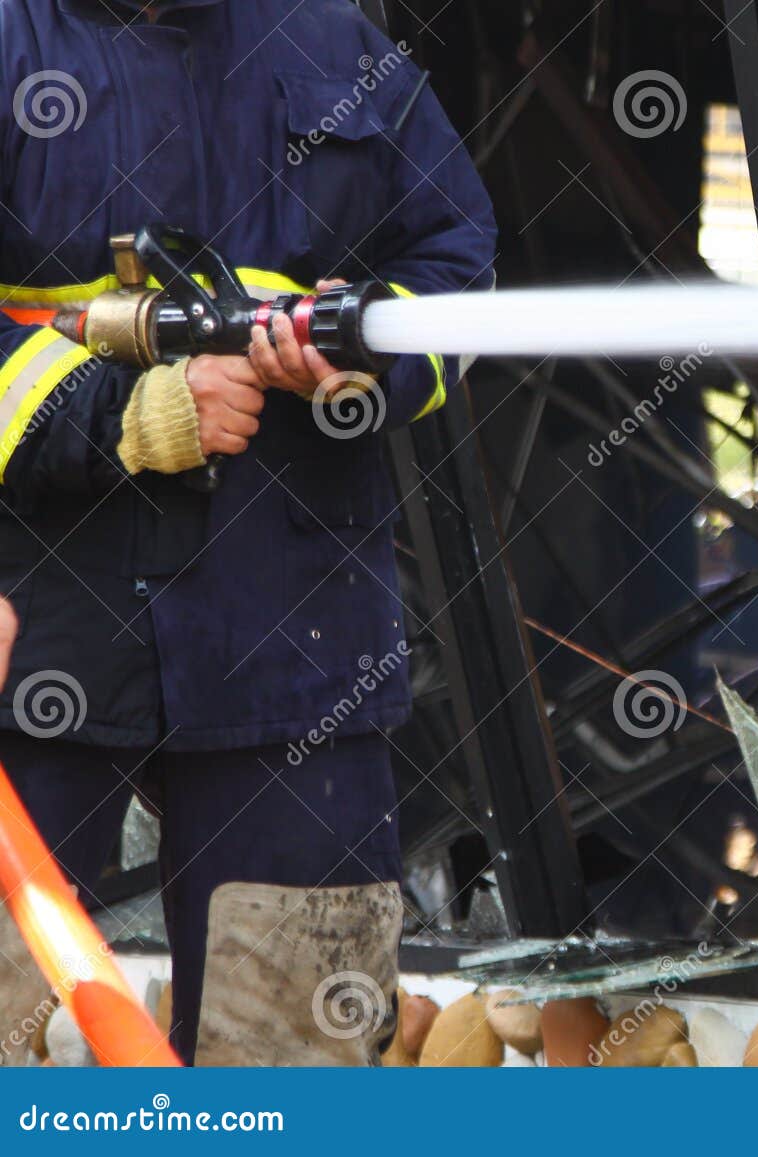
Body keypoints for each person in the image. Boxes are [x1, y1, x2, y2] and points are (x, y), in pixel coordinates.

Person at [0, 0, 496, 1064]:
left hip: (294, 659)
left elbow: (456, 265)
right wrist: (119, 415)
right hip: (38, 645)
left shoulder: (336, 46)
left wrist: (364, 355)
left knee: (293, 1066)